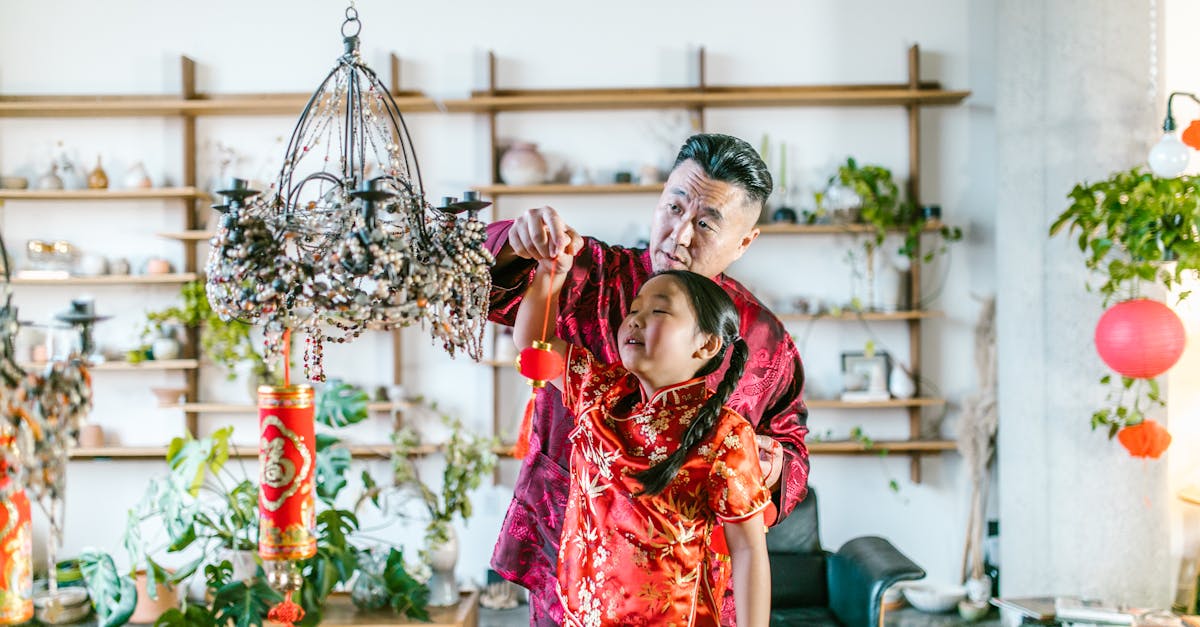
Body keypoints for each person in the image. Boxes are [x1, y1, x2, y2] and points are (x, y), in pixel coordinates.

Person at [487, 133, 808, 626]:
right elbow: (517, 325)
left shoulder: (764, 341)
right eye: (673, 208)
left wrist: (772, 465)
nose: (679, 234)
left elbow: (788, 453)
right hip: (574, 574)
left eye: (705, 223)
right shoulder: (594, 276)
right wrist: (521, 243)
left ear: (744, 242)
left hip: (686, 593)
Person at [513, 259, 771, 627]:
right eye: (634, 310)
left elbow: (747, 549)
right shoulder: (599, 393)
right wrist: (548, 272)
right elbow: (534, 345)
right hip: (581, 616)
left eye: (659, 310)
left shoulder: (725, 433)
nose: (634, 319)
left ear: (706, 345)